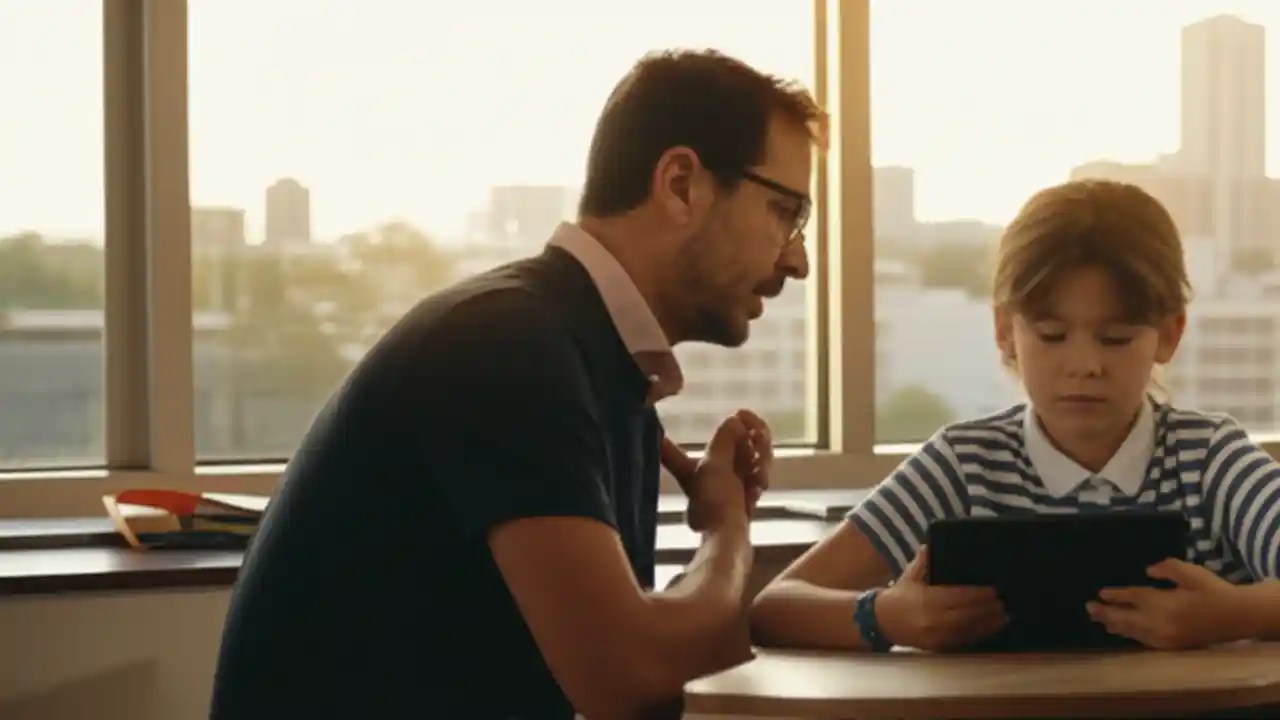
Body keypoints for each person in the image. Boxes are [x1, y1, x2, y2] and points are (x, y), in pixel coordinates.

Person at [210, 49, 825, 719]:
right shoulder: (511, 348)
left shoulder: (599, 367)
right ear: (680, 183)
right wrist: (726, 531)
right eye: (785, 213)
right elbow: (631, 680)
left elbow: (660, 674)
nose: (798, 260)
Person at [750, 179, 1280, 653]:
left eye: (1115, 339)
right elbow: (775, 607)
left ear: (1169, 335)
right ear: (1006, 331)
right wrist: (885, 616)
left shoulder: (1210, 460)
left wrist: (1232, 614)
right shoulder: (965, 464)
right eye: (1052, 336)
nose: (1084, 366)